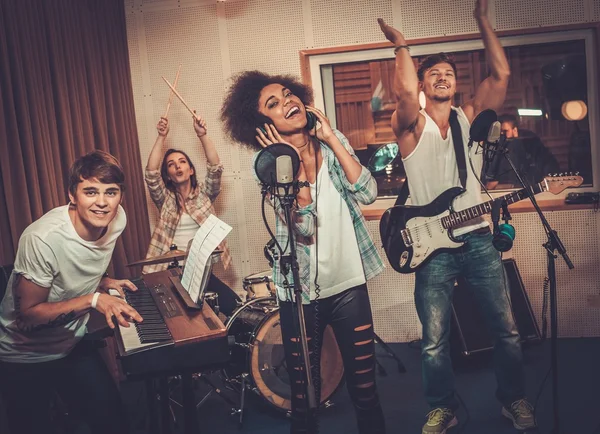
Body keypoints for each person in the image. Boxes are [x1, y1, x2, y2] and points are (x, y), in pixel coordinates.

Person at [378, 0, 535, 432]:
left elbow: (500, 76)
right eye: (434, 74)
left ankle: (513, 399)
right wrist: (403, 49)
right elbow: (406, 93)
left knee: (506, 331)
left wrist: (484, 21)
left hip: (478, 239)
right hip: (433, 248)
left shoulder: (470, 120)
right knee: (434, 341)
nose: (443, 76)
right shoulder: (409, 126)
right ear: (425, 86)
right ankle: (441, 407)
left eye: (449, 73)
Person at [221, 70, 386, 434]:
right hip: (300, 296)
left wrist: (330, 137)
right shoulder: (268, 164)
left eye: (287, 94)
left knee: (365, 389)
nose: (288, 102)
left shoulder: (332, 142)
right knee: (304, 398)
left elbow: (368, 192)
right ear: (263, 122)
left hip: (349, 286)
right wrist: (290, 162)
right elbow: (305, 227)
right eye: (273, 104)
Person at [0, 150, 143, 434]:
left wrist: (102, 282)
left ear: (121, 196)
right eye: (90, 192)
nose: (102, 203)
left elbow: (79, 263)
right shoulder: (42, 238)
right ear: (72, 195)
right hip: (23, 355)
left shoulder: (118, 220)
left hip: (70, 343)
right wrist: (93, 300)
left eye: (111, 192)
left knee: (114, 423)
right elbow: (27, 317)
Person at [144, 114, 239, 315]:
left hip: (200, 271)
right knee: (187, 319)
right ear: (168, 175)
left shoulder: (205, 195)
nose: (177, 166)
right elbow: (151, 174)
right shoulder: (165, 200)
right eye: (171, 164)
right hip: (170, 273)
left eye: (182, 162)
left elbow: (215, 168)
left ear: (191, 170)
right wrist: (161, 136)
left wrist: (202, 135)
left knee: (234, 306)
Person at [485, 113, 559, 189]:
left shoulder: (530, 145)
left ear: (515, 130)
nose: (501, 135)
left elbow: (548, 166)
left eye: (505, 131)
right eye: (500, 132)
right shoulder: (495, 150)